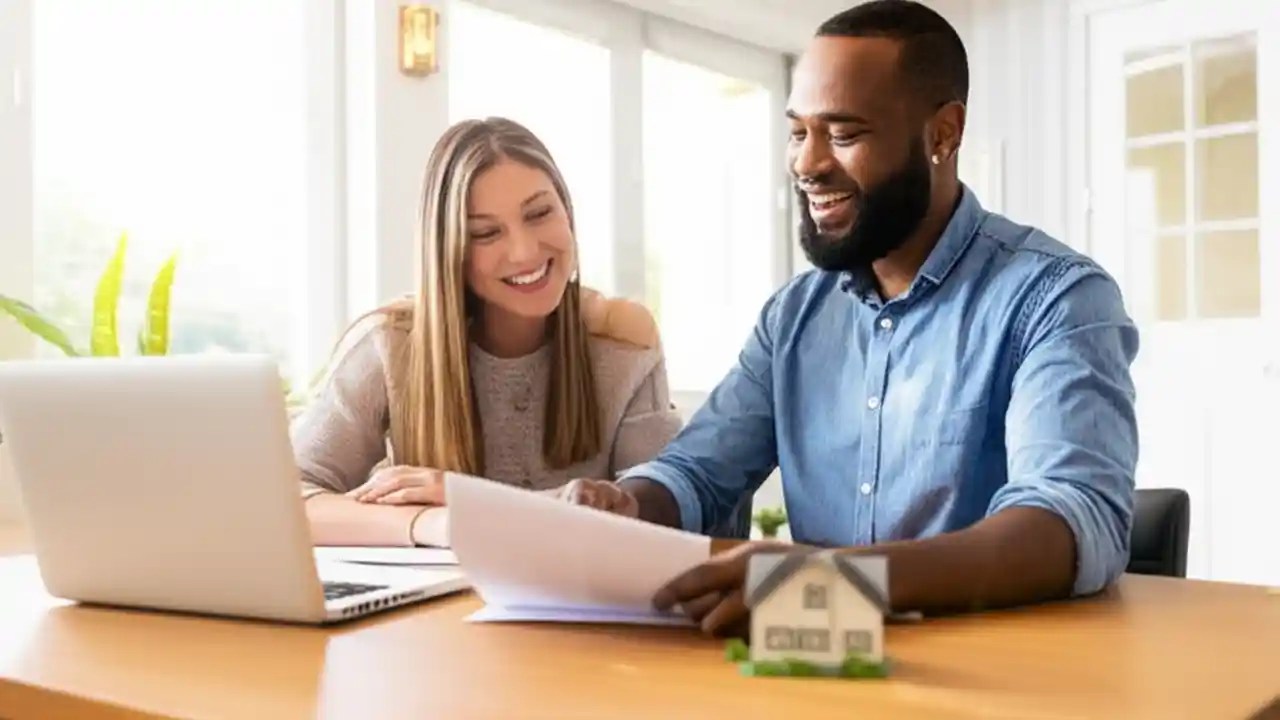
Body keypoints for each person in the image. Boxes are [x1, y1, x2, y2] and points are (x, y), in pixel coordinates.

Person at [561, 0, 1139, 635]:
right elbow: (697, 471)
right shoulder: (793, 318)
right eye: (798, 131)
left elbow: (1069, 520)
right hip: (818, 663)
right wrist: (626, 503)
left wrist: (846, 582)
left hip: (997, 676)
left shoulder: (1056, 298)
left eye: (844, 134)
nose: (808, 164)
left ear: (943, 134)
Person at [291, 117, 682, 547]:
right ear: (450, 250)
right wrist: (432, 523)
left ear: (566, 211)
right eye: (486, 233)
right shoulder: (393, 344)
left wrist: (471, 502)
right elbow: (289, 500)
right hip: (436, 606)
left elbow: (660, 516)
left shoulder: (621, 340)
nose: (524, 251)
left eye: (539, 213)